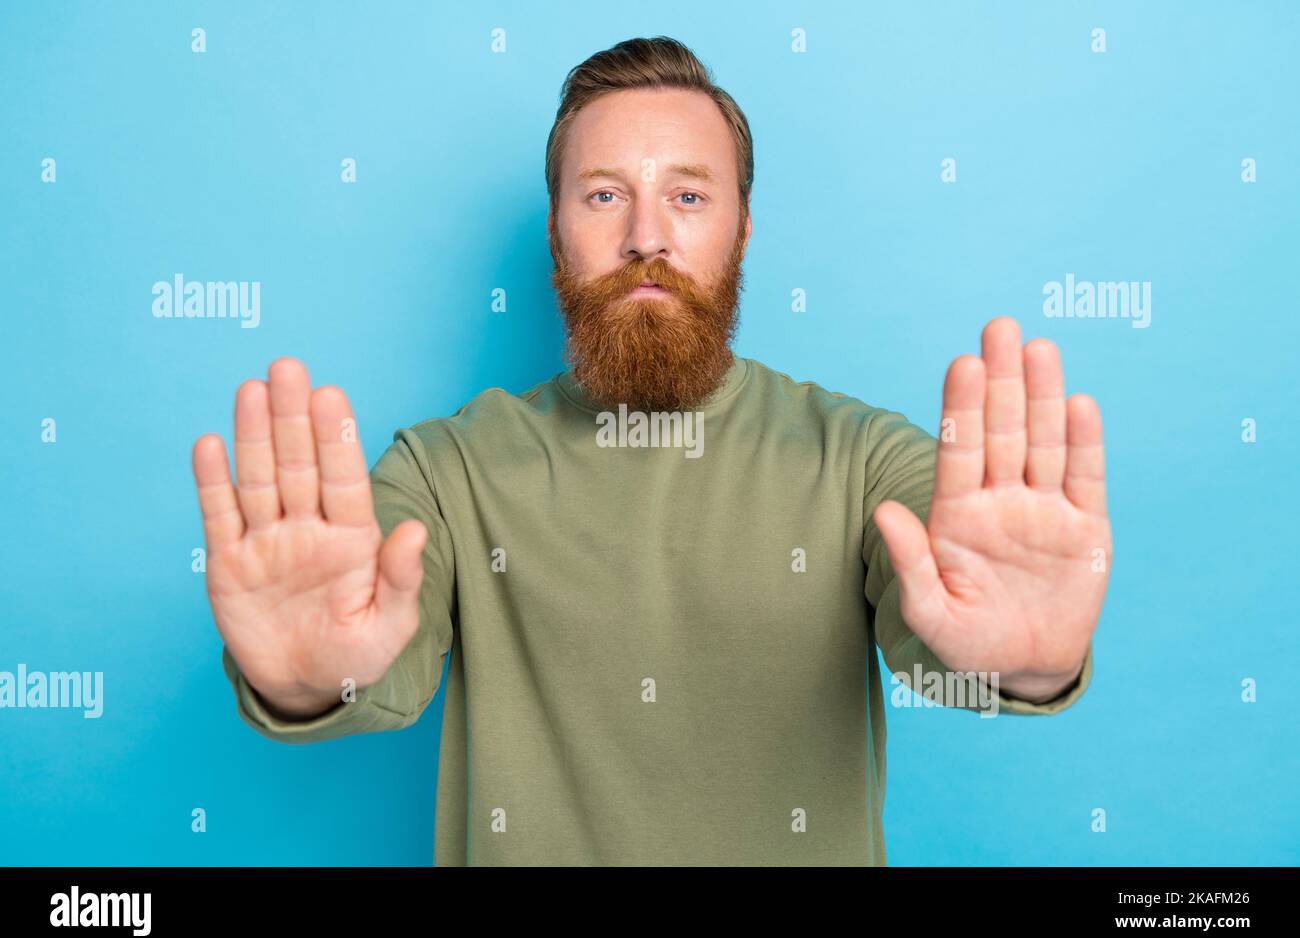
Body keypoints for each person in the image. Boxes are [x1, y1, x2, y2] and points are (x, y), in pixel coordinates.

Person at [191, 36, 1110, 866]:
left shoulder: (863, 458)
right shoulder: (446, 472)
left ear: (741, 230)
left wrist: (1026, 664)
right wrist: (315, 679)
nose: (646, 238)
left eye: (688, 194)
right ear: (556, 231)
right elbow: (375, 649)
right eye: (603, 196)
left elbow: (946, 623)